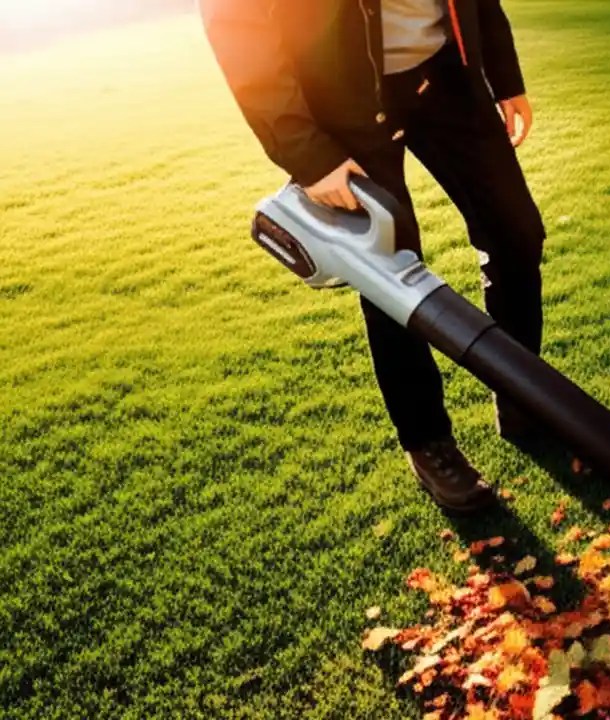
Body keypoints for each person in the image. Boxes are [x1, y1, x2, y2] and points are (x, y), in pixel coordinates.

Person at [198, 0, 548, 514]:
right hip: (347, 103)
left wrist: (503, 73)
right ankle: (428, 441)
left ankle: (523, 398)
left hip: (448, 75)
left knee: (517, 234)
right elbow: (234, 19)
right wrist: (307, 153)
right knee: (390, 273)